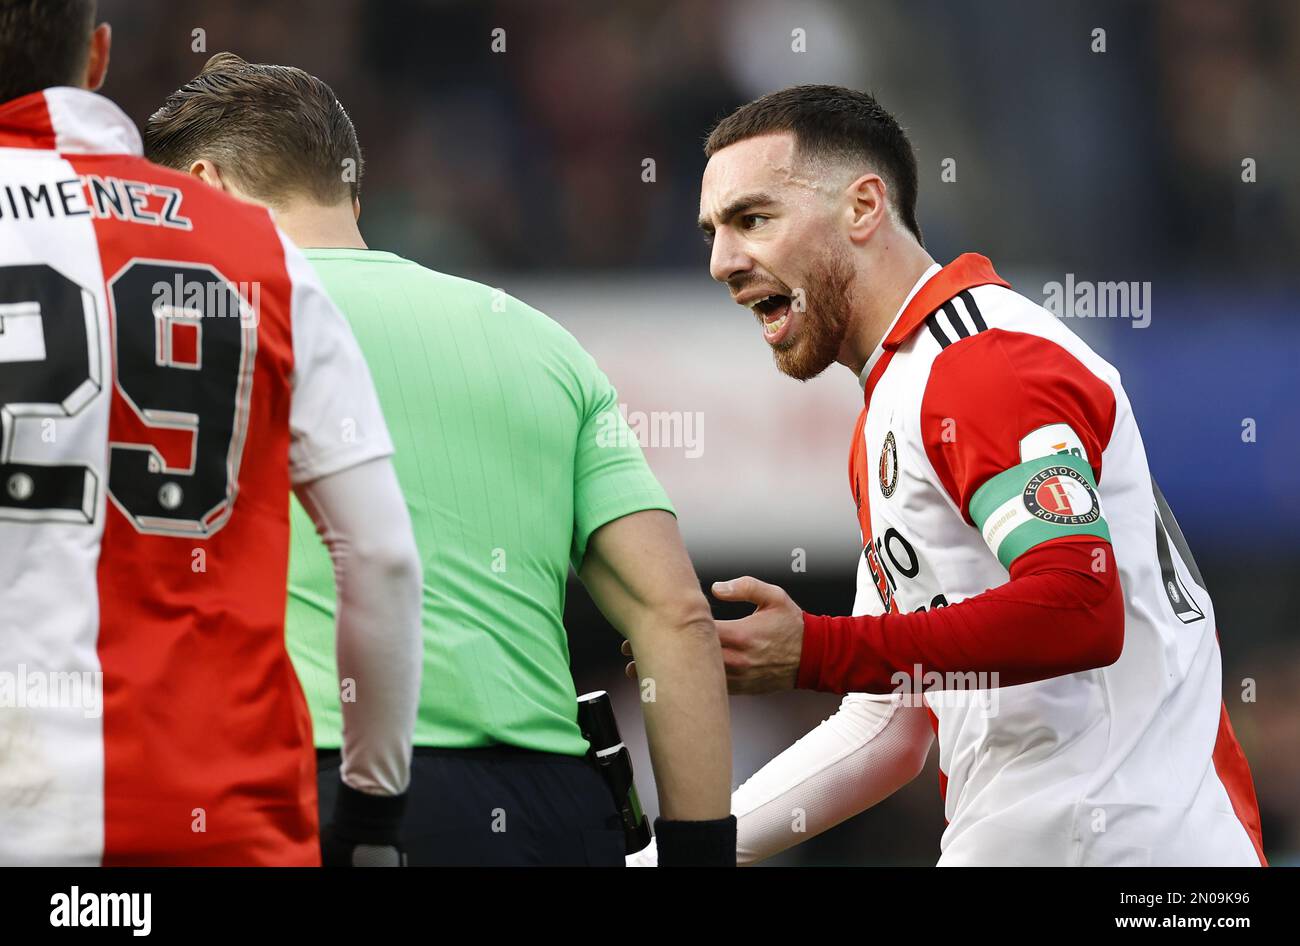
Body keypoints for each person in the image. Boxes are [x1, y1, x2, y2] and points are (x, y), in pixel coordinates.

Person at [638, 84, 1264, 866]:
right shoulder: (893, 403)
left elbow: (1080, 606)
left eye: (752, 219)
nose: (722, 262)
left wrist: (817, 651)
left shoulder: (979, 361)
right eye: (712, 232)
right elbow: (886, 729)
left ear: (863, 208)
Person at [145, 54, 737, 866]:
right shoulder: (539, 341)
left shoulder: (185, 337)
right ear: (348, 192)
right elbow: (675, 615)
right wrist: (699, 856)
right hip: (552, 815)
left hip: (309, 793)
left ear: (206, 185)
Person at [0, 1, 422, 865]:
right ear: (99, 57)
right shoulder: (257, 252)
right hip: (215, 819)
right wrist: (374, 815)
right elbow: (381, 557)